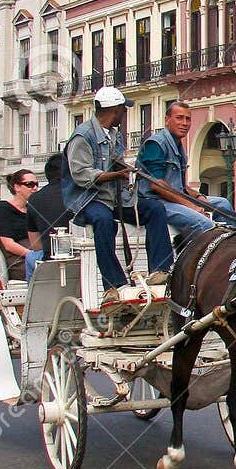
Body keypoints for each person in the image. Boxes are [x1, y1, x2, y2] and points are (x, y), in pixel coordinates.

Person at [62, 86, 174, 305]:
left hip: (114, 197)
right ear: (114, 109)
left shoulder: (114, 134)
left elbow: (114, 160)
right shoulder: (82, 136)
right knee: (103, 221)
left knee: (154, 209)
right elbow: (81, 175)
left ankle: (160, 270)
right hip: (90, 199)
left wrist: (128, 172)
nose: (125, 114)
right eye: (123, 109)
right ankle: (112, 285)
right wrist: (115, 174)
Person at [137, 100, 233, 238]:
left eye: (188, 119)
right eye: (179, 118)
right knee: (204, 223)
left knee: (223, 205)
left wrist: (199, 197)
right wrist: (191, 206)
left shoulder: (178, 146)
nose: (184, 123)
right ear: (167, 120)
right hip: (157, 201)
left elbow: (180, 186)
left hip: (175, 198)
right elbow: (157, 186)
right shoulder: (156, 144)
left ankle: (233, 248)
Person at [26, 152, 74, 281]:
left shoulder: (34, 199)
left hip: (50, 258)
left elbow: (35, 245)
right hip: (81, 256)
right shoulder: (80, 193)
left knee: (30, 257)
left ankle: (33, 296)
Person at [0, 169, 38, 283]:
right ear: (17, 187)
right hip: (19, 260)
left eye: (36, 184)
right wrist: (34, 256)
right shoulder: (3, 208)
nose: (35, 188)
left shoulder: (33, 209)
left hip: (35, 254)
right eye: (30, 185)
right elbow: (8, 244)